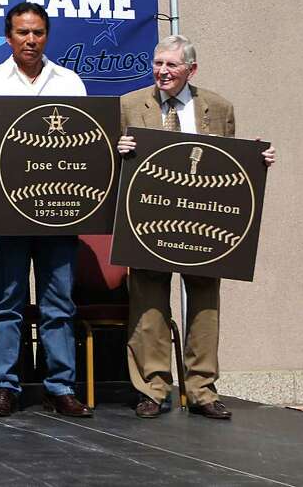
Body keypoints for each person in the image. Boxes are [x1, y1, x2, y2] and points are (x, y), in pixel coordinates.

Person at [116, 34, 276, 420]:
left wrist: (258, 159)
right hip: (150, 220)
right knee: (148, 305)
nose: (162, 72)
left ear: (191, 69)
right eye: (158, 63)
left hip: (202, 224)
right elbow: (113, 165)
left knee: (205, 307)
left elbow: (231, 166)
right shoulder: (129, 104)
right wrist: (118, 152)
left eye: (171, 65)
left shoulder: (218, 108)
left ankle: (202, 389)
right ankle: (153, 389)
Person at [0, 2, 92, 418]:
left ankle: (61, 386)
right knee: (6, 302)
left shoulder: (70, 83)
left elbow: (85, 147)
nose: (31, 40)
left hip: (60, 209)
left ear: (47, 36)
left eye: (38, 32)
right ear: (9, 37)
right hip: (5, 209)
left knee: (59, 303)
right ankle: (3, 386)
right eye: (23, 32)